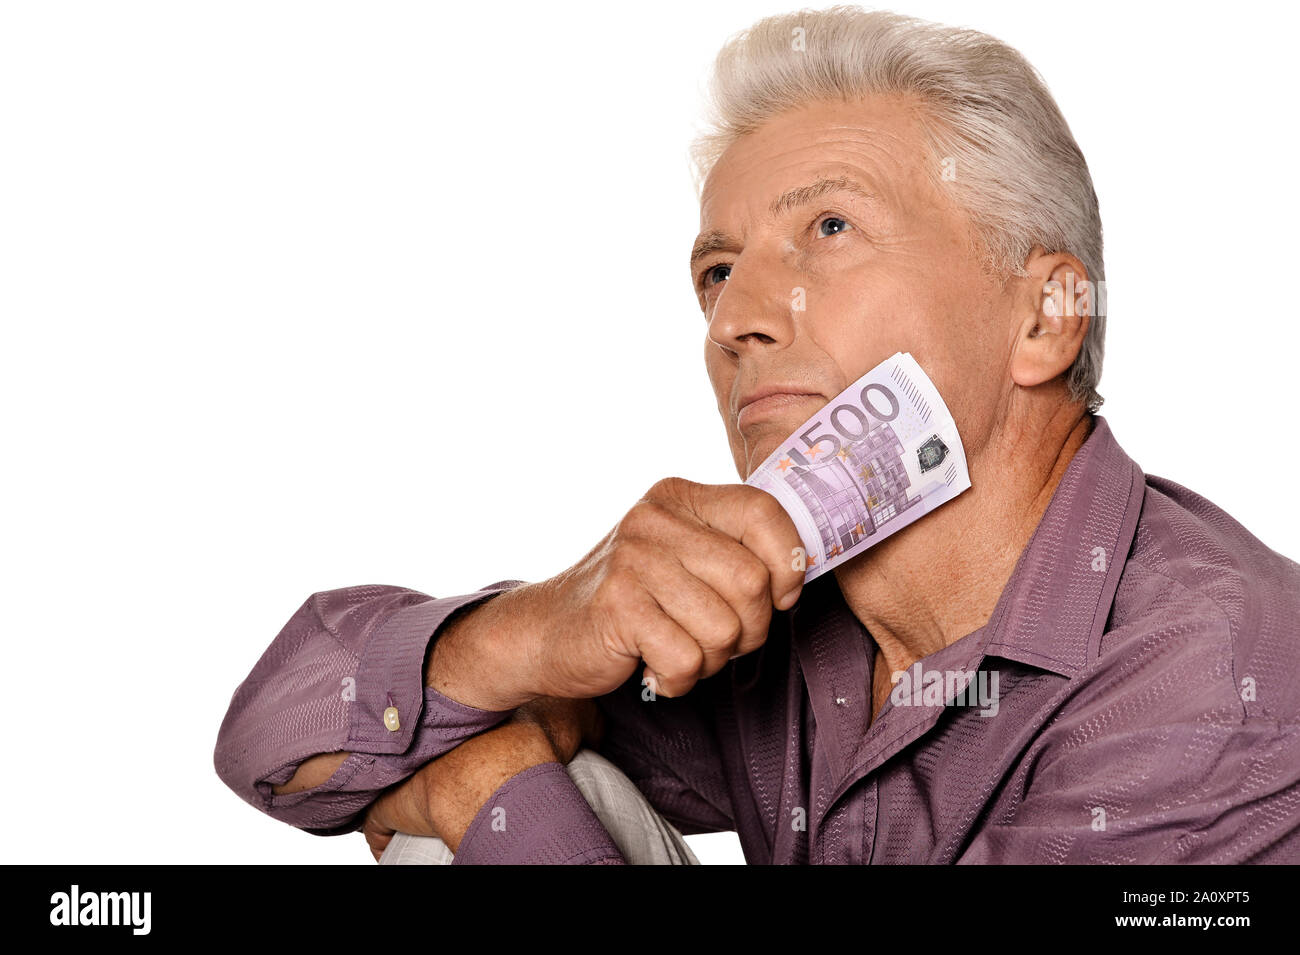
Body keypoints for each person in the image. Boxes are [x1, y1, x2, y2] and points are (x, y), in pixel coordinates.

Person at [214, 7, 1300, 864]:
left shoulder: (1223, 686)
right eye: (716, 270)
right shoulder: (788, 624)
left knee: (486, 802)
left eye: (828, 227)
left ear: (1045, 316)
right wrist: (532, 634)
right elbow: (273, 742)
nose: (736, 317)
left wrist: (486, 794)